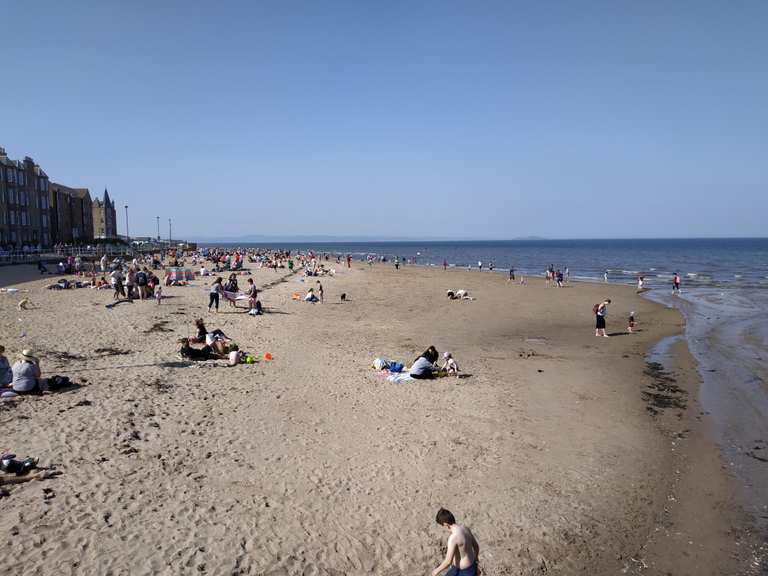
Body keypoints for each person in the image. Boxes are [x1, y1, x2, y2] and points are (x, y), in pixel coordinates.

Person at [431, 508, 479, 576]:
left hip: (465, 572)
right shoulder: (465, 529)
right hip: (471, 566)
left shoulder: (453, 538)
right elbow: (476, 546)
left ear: (445, 524)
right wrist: (476, 558)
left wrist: (436, 571)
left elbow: (448, 561)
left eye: (442, 526)